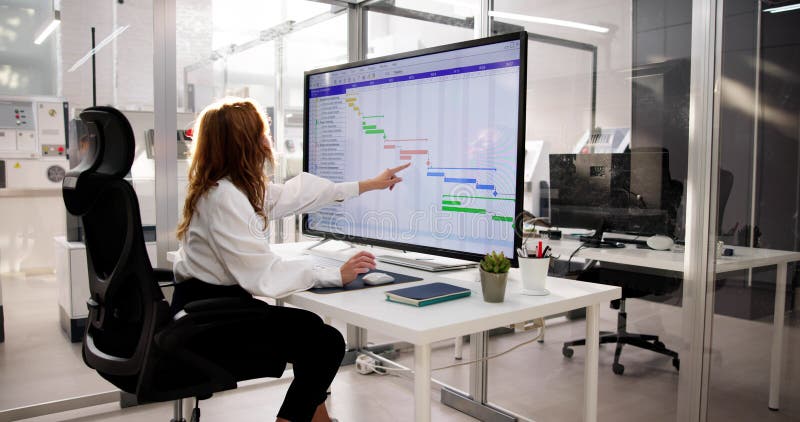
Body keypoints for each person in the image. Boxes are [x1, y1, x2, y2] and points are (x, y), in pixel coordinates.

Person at [171, 98, 410, 422]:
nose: (267, 141)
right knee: (325, 343)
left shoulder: (225, 188)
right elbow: (262, 274)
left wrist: (369, 184)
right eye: (262, 133)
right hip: (212, 320)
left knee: (310, 328)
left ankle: (317, 417)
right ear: (245, 143)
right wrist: (331, 274)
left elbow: (295, 195)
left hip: (204, 307)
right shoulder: (225, 198)